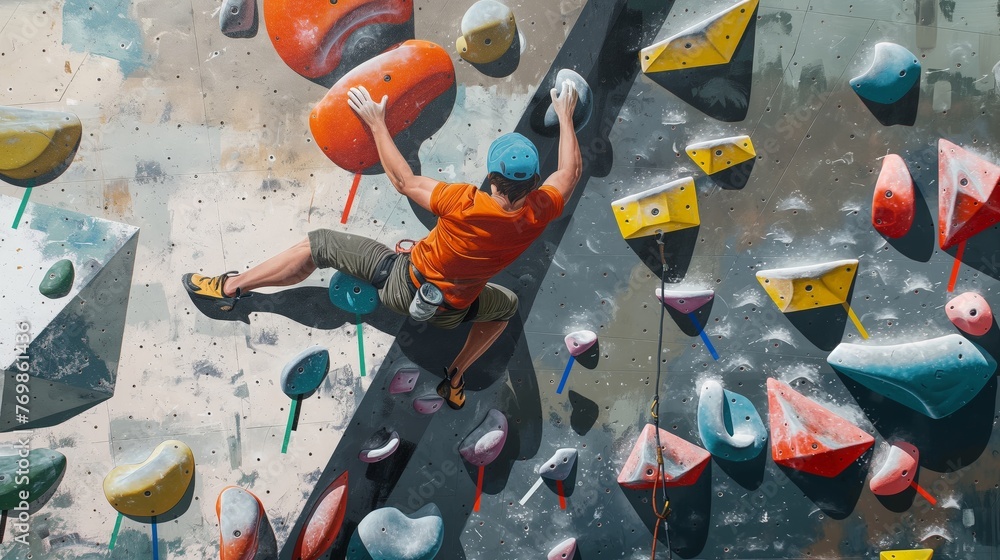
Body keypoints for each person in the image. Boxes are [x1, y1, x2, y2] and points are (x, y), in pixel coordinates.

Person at [183, 80, 582, 410]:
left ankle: (230, 289)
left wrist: (376, 123)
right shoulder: (540, 211)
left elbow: (405, 181)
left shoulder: (464, 202)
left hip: (403, 284)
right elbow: (570, 171)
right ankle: (455, 378)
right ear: (533, 184)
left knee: (319, 244)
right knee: (506, 306)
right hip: (452, 312)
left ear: (492, 176)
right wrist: (566, 116)